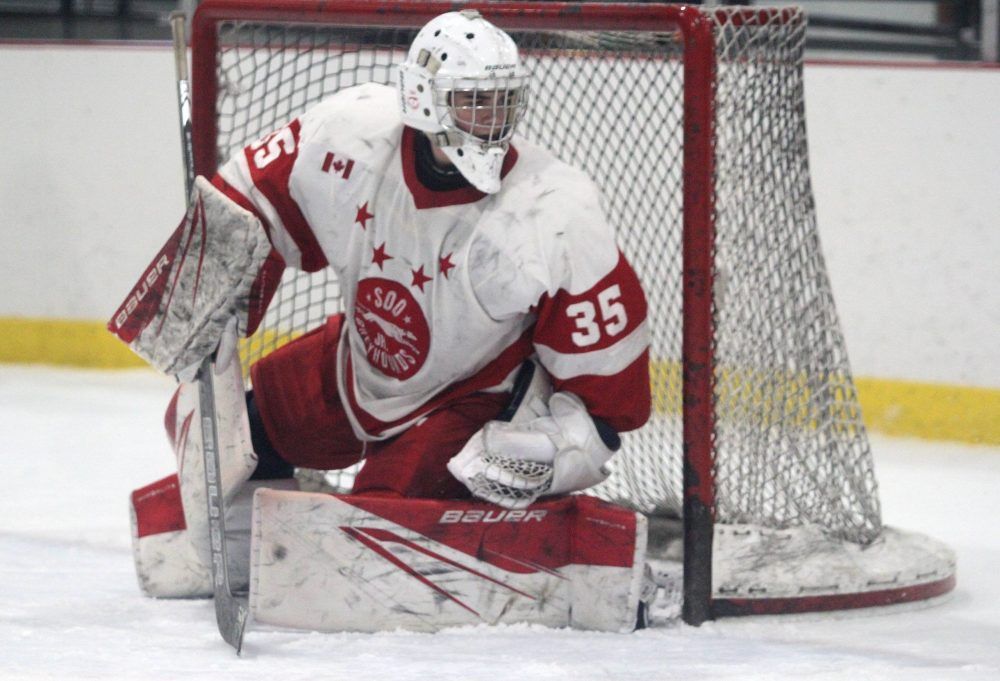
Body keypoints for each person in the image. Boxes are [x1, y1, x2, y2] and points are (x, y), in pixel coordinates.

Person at [119, 10, 652, 612]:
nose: (493, 120)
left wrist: (557, 452)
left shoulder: (554, 209)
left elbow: (612, 403)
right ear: (424, 101)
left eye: (504, 102)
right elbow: (244, 208)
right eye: (474, 102)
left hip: (466, 402)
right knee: (213, 429)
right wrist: (203, 311)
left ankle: (542, 544)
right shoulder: (348, 136)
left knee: (374, 531)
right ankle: (248, 558)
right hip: (356, 370)